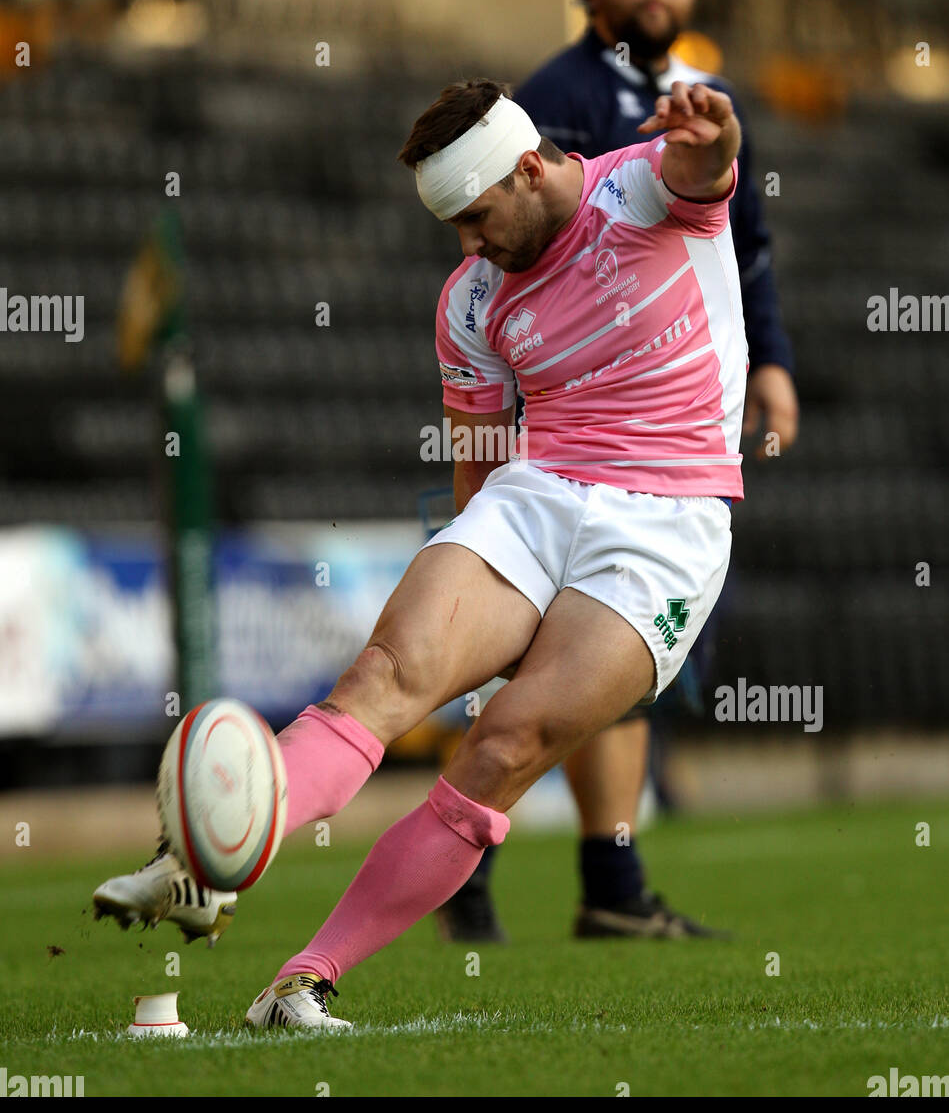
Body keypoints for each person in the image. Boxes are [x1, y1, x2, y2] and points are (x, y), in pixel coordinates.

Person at [96, 75, 747, 1029]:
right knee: (382, 676)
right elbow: (477, 463)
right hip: (536, 493)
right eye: (452, 226)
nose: (468, 245)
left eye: (476, 217)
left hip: (668, 522)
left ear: (529, 170)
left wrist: (713, 133)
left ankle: (301, 982)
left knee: (504, 746)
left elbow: (705, 167)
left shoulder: (642, 188)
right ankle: (198, 862)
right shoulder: (471, 301)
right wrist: (491, 596)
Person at [437, 0, 798, 944]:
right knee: (547, 673)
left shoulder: (697, 101)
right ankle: (481, 865)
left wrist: (771, 361)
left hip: (663, 441)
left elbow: (743, 244)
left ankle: (599, 882)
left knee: (602, 673)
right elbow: (502, 252)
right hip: (565, 444)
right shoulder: (557, 97)